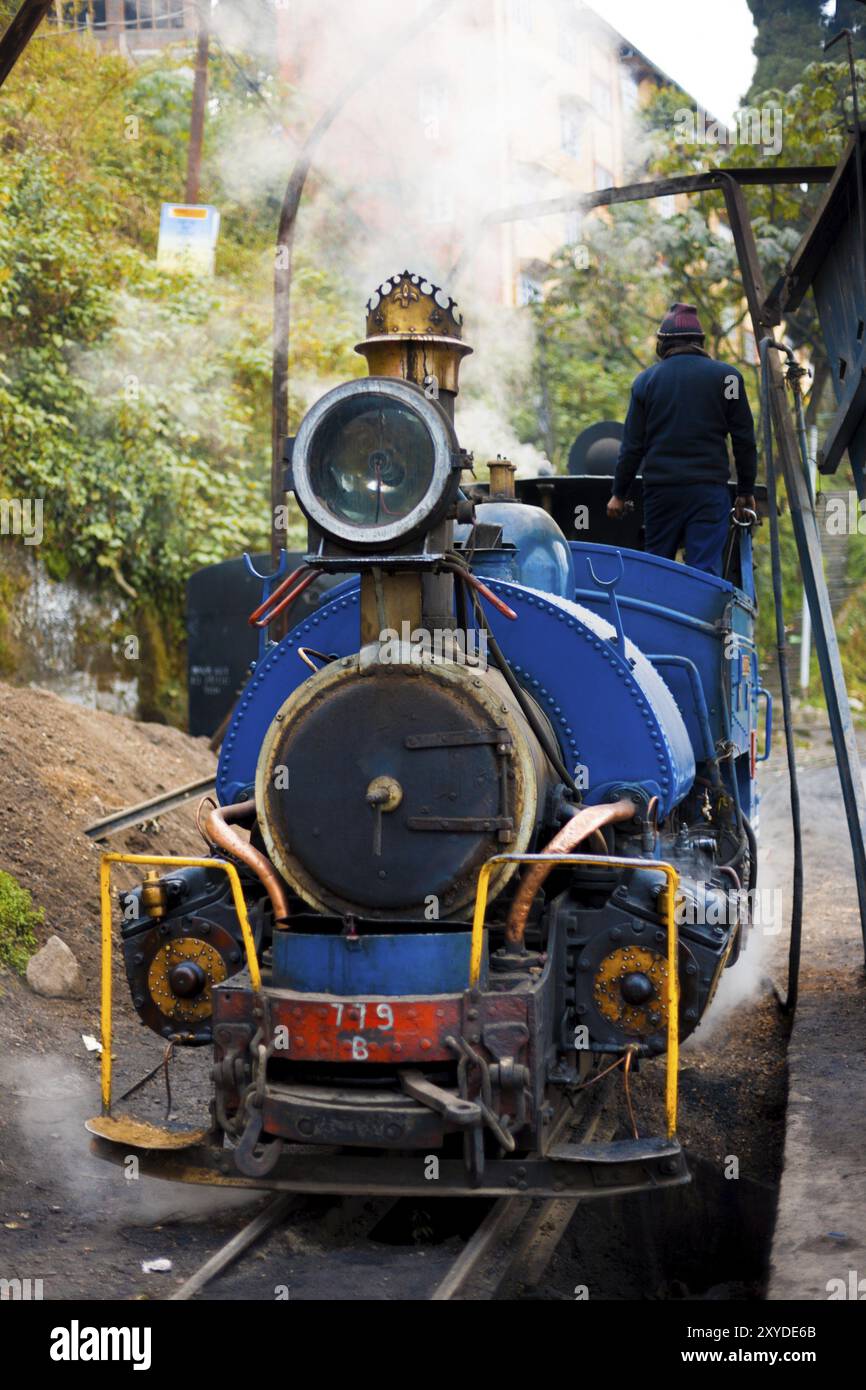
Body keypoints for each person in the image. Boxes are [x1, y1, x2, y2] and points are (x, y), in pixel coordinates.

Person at [606, 302, 757, 578]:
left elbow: (632, 447)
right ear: (700, 342)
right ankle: (698, 620)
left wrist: (619, 494)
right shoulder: (728, 379)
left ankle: (656, 619)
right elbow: (744, 438)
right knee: (704, 573)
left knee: (657, 569)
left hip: (661, 493)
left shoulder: (645, 382)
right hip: (708, 492)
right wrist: (745, 491)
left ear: (663, 345)